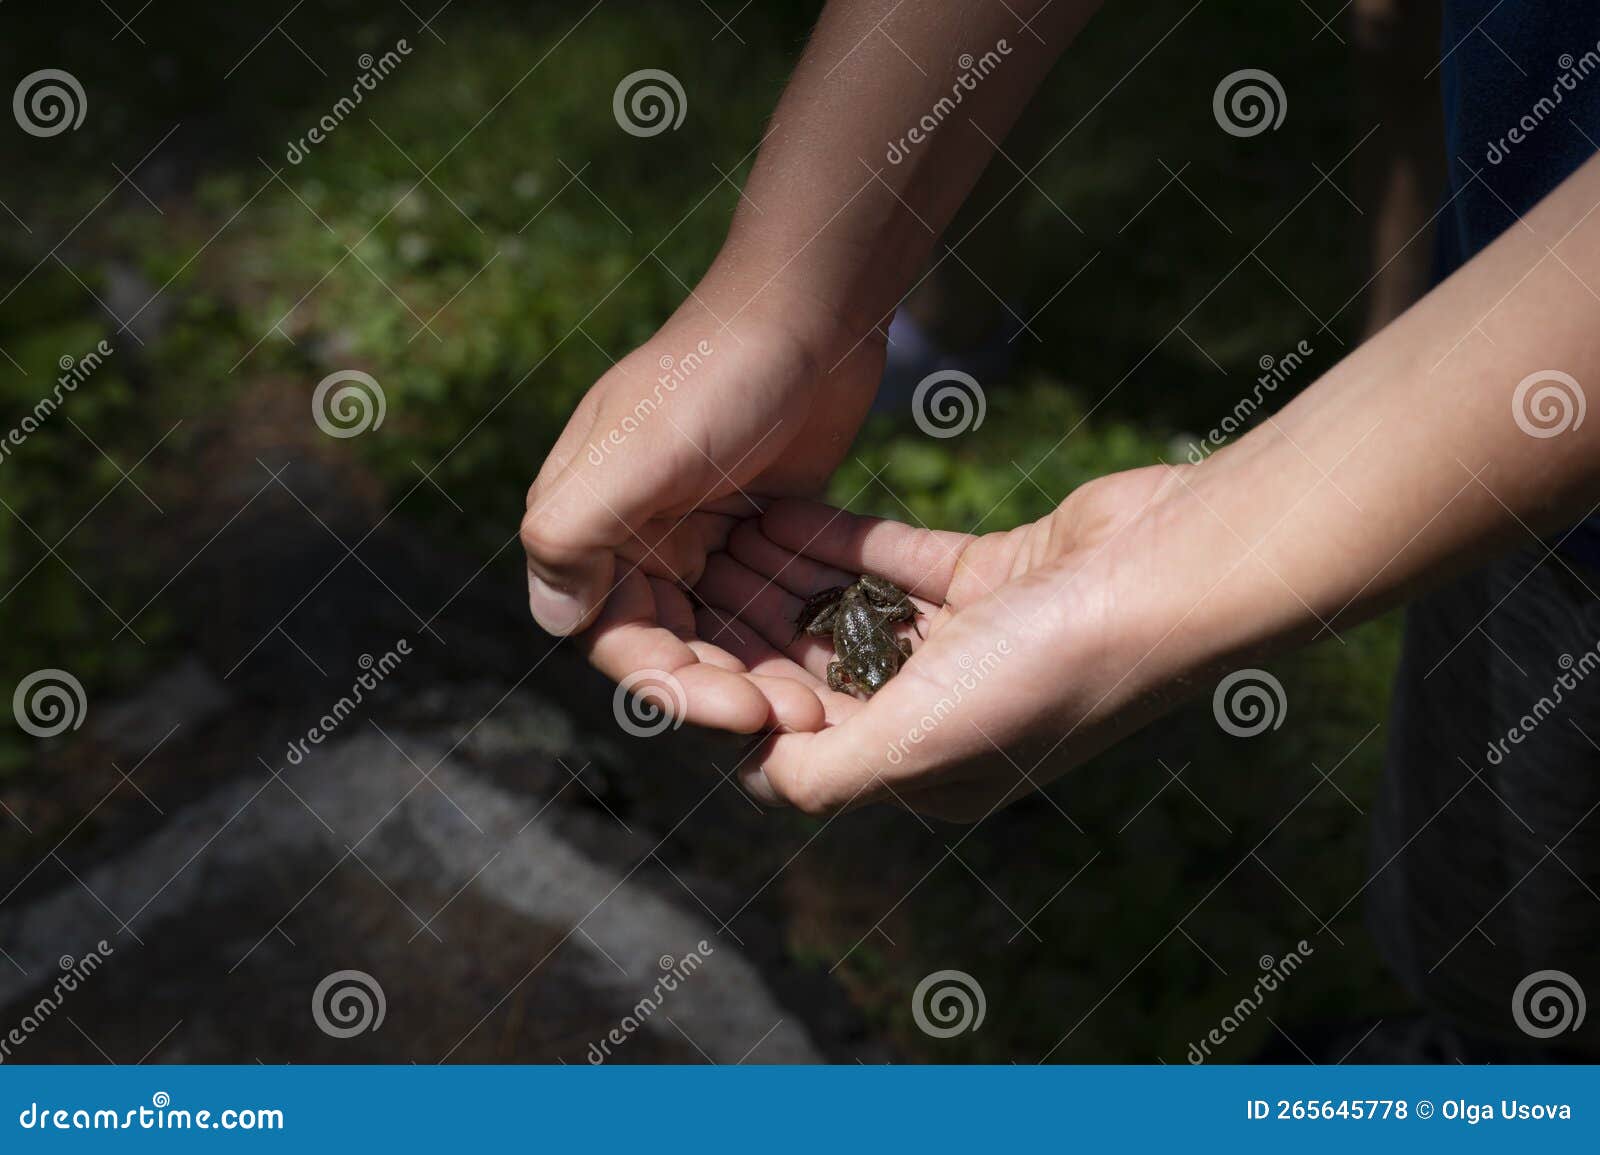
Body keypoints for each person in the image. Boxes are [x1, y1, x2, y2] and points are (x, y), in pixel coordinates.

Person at [523, 1, 1600, 1052]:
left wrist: (1160, 579)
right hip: (1502, 476)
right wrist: (782, 293)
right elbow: (868, 622)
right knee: (1483, 911)